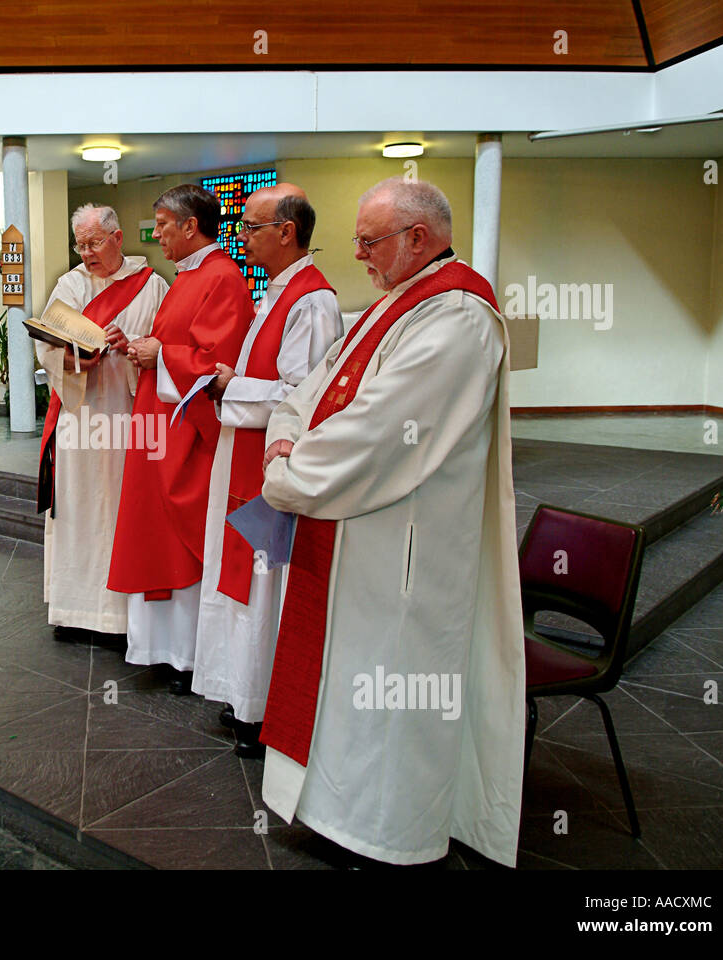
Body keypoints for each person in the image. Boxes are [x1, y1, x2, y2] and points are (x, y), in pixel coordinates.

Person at [258, 176, 525, 867]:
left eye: (369, 242)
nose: (359, 255)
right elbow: (306, 396)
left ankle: (387, 835)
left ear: (417, 239)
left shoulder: (458, 317)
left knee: (389, 696)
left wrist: (289, 471)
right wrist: (287, 440)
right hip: (349, 538)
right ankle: (336, 815)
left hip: (404, 553)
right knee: (348, 691)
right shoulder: (391, 306)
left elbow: (378, 435)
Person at [192, 184, 342, 756]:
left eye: (252, 227)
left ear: (287, 231)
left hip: (270, 463)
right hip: (242, 452)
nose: (241, 236)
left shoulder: (312, 300)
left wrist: (231, 384)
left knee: (263, 582)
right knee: (241, 583)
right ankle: (242, 696)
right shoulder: (276, 291)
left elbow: (305, 396)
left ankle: (264, 709)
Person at [107, 184, 254, 693]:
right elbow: (176, 345)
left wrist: (161, 356)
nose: (159, 236)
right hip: (159, 424)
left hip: (187, 434)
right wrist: (142, 348)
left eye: (164, 226)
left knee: (180, 536)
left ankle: (186, 654)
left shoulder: (224, 278)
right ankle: (161, 649)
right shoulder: (188, 277)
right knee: (153, 530)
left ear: (192, 226)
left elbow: (221, 365)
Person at [35, 204, 169, 642]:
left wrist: (133, 347)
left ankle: (117, 617)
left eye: (94, 243)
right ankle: (74, 609)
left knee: (117, 506)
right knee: (77, 505)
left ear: (117, 237)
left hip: (127, 416)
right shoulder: (69, 285)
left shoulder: (152, 286)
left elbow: (165, 344)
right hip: (79, 416)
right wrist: (77, 355)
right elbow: (48, 347)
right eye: (81, 244)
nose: (87, 252)